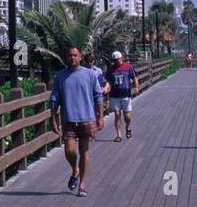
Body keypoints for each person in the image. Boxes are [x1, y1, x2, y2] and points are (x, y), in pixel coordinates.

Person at [50, 45, 104, 196]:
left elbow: (98, 96)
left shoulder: (90, 74)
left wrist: (100, 116)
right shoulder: (60, 76)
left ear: (80, 57)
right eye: (69, 55)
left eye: (75, 55)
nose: (72, 58)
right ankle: (75, 169)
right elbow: (54, 99)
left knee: (84, 151)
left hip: (87, 118)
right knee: (69, 150)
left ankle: (82, 184)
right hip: (68, 120)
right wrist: (53, 119)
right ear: (66, 58)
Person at [104, 50, 139, 141]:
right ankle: (119, 135)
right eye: (114, 60)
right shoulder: (111, 69)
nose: (116, 62)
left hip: (125, 94)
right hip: (114, 95)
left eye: (117, 60)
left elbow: (134, 77)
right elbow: (108, 81)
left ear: (121, 58)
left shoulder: (128, 67)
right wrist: (105, 88)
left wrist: (136, 87)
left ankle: (128, 127)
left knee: (127, 115)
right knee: (117, 114)